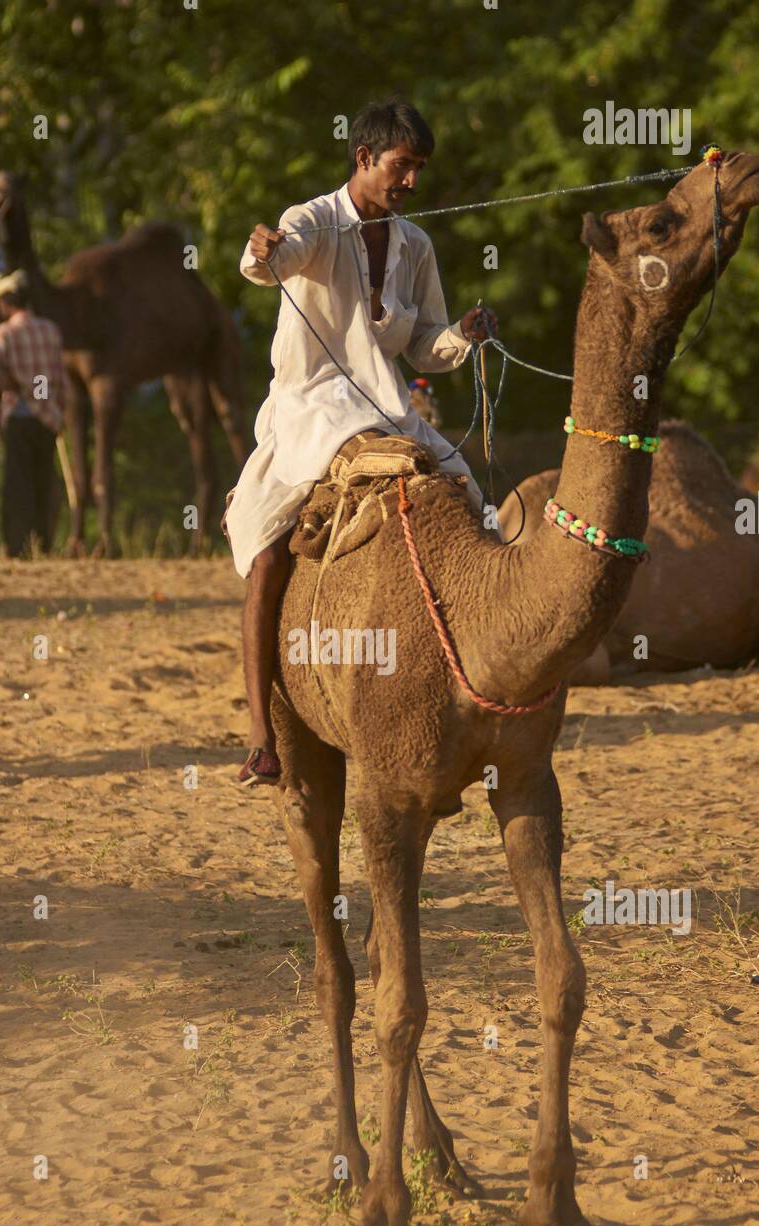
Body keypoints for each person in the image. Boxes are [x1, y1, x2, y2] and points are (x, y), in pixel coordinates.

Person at [227, 97, 495, 787]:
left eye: (418, 170)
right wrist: (262, 249)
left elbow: (425, 347)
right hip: (311, 407)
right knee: (264, 550)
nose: (409, 182)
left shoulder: (416, 245)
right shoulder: (311, 221)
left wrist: (463, 334)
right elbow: (272, 262)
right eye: (401, 167)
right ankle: (260, 731)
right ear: (364, 159)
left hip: (386, 409)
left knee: (473, 503)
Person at [0, 269, 66, 557]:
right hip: (48, 417)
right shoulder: (50, 330)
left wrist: (10, 383)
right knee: (42, 482)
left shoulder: (6, 332)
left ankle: (17, 547)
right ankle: (43, 544)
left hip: (20, 415)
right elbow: (61, 378)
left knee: (18, 484)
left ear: (5, 302)